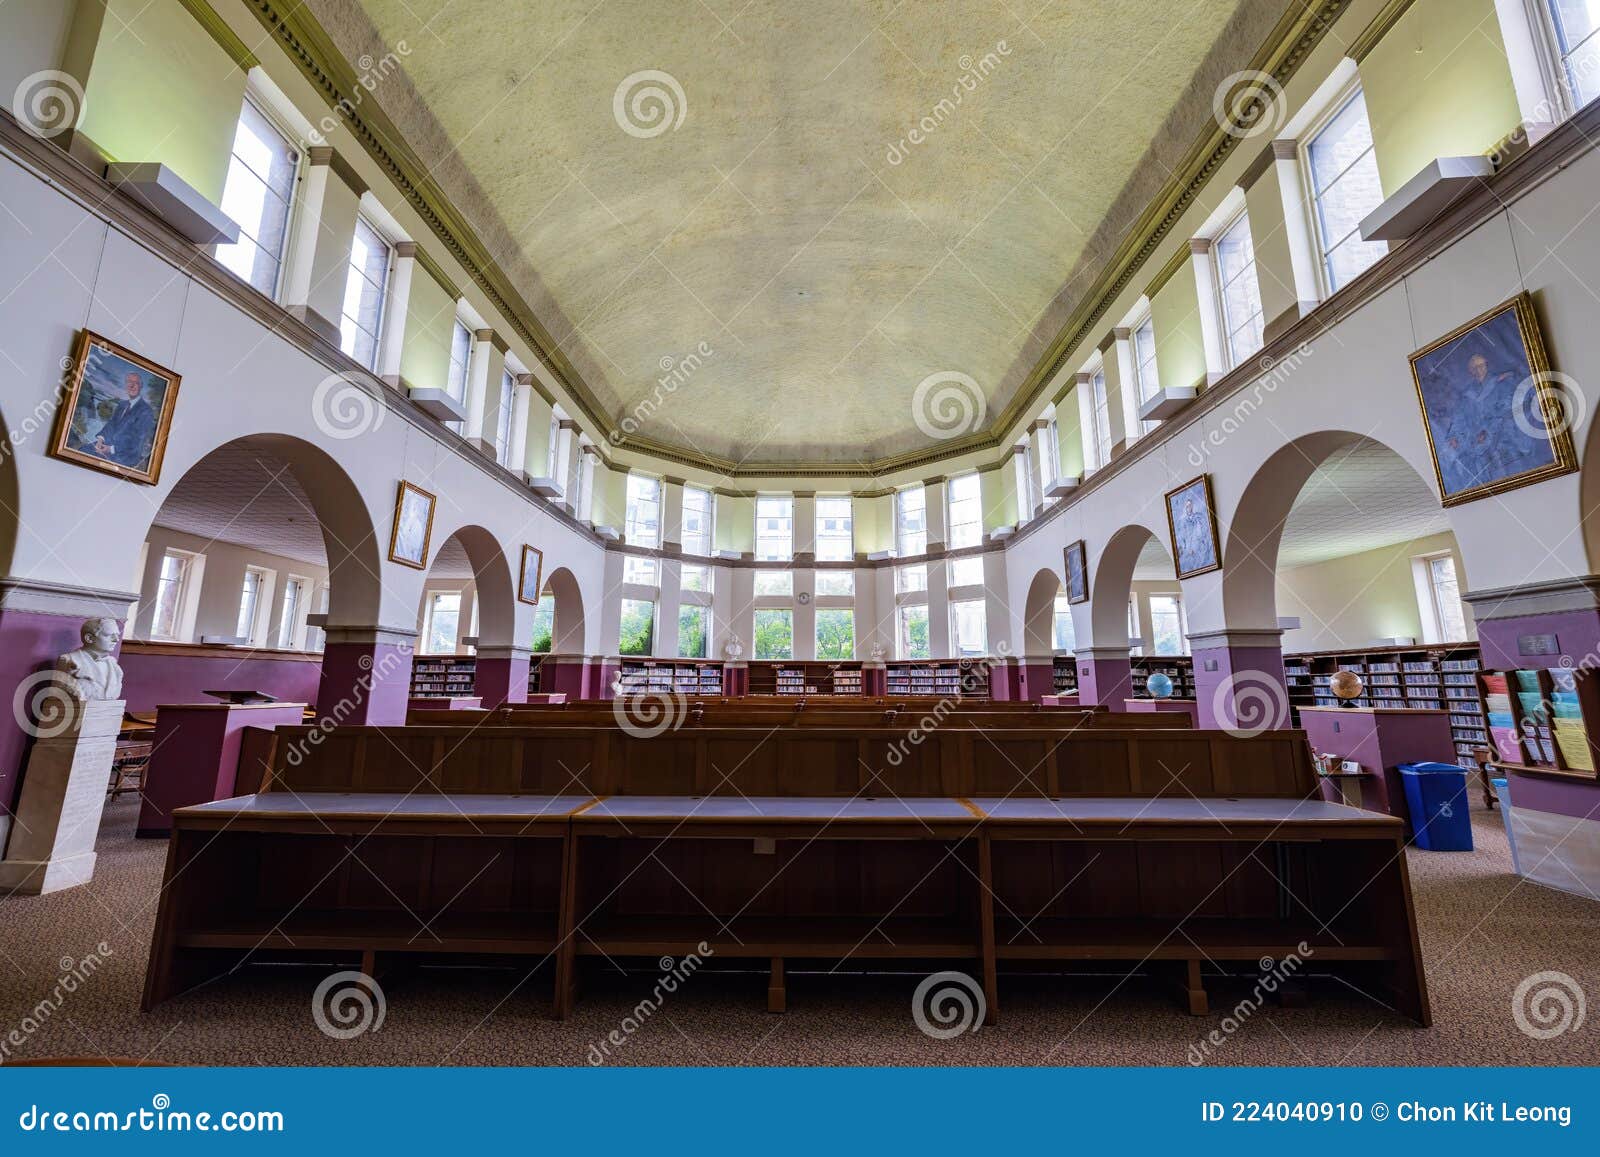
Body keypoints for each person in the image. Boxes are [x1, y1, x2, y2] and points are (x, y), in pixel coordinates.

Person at [82, 369, 158, 469]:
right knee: (83, 450)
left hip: (127, 454)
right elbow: (111, 424)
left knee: (89, 460)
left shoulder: (146, 411)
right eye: (129, 382)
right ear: (126, 385)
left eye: (136, 383)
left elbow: (137, 441)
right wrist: (100, 440)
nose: (132, 385)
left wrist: (111, 449)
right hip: (108, 444)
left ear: (141, 386)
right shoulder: (122, 404)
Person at [54, 617, 124, 702]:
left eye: (117, 635)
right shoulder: (68, 660)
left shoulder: (114, 665)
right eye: (109, 635)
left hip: (107, 712)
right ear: (89, 638)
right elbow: (56, 698)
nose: (116, 640)